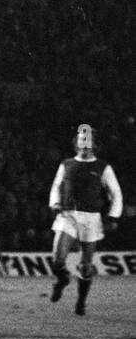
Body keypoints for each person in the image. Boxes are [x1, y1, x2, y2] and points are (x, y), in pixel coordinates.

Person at [48, 125, 124, 315]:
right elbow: (56, 185)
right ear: (76, 143)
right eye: (82, 140)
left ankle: (81, 302)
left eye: (88, 140)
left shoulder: (103, 167)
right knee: (58, 258)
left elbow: (116, 193)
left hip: (91, 219)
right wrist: (55, 203)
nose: (85, 144)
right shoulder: (66, 164)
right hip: (68, 215)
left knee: (86, 264)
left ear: (95, 144)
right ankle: (63, 279)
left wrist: (114, 216)